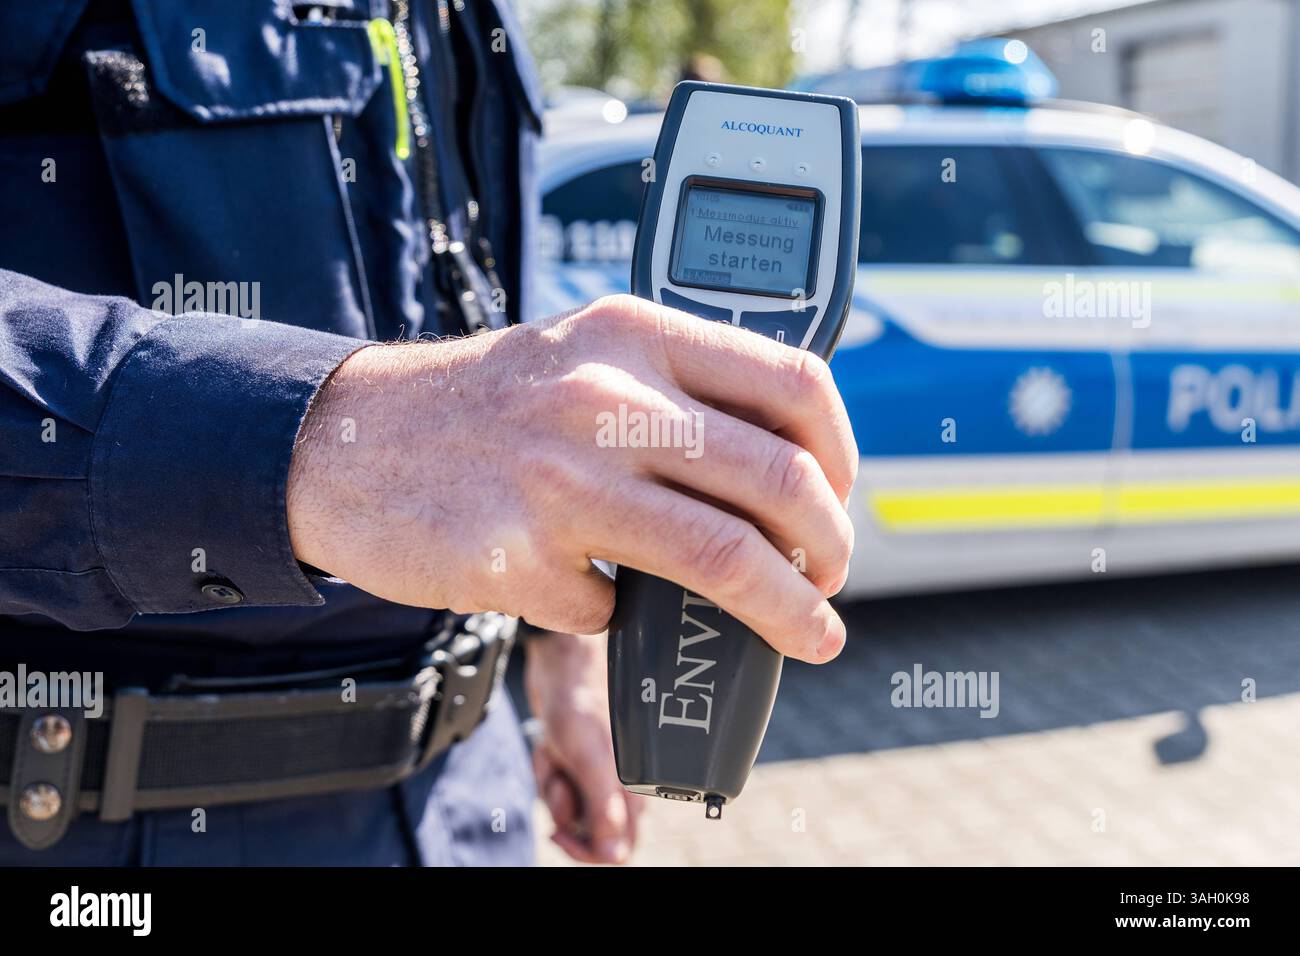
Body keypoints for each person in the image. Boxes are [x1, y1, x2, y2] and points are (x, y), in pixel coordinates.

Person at [0, 0, 855, 866]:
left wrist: (565, 667)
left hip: (468, 799)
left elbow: (488, 311)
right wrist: (325, 443)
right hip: (90, 826)